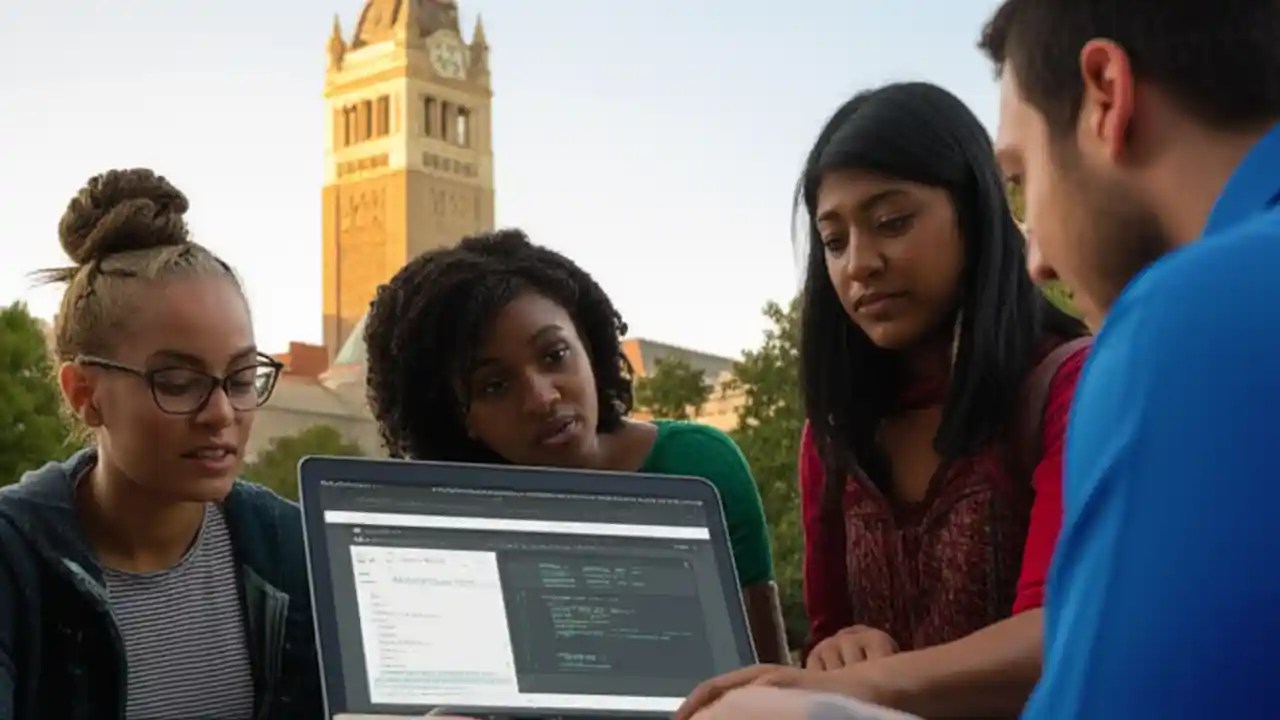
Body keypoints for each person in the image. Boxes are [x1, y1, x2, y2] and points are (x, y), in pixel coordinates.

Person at [676, 82, 1090, 720]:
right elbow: (828, 637)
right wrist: (840, 652)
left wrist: (864, 685)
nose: (859, 264)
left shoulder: (1071, 387)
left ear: (977, 214)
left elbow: (1061, 633)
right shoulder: (835, 434)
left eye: (892, 222)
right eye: (834, 241)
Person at [980, 1, 1280, 717]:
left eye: (1022, 178)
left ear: (1105, 94)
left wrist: (816, 713)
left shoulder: (1189, 322)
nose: (1037, 262)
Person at [361, 228, 790, 663]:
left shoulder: (700, 464)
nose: (542, 397)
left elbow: (770, 674)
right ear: (458, 420)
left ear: (587, 345)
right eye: (494, 386)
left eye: (553, 356)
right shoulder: (456, 522)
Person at [0, 169, 322, 719]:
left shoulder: (291, 553)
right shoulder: (15, 563)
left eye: (242, 378)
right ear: (85, 393)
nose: (221, 413)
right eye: (178, 382)